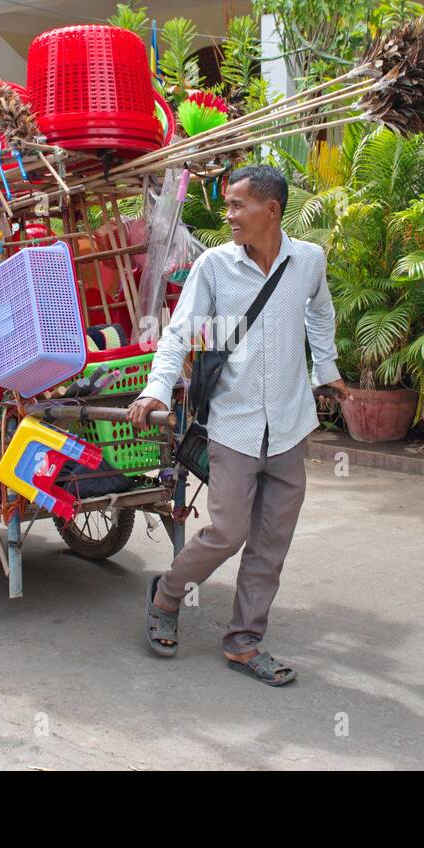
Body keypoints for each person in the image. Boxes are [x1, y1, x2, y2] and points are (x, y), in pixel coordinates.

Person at [127, 164, 349, 686]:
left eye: (236, 205)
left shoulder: (308, 261)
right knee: (228, 531)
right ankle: (167, 592)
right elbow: (180, 334)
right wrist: (157, 388)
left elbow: (320, 313)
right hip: (233, 423)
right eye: (226, 205)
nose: (227, 216)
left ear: (271, 210)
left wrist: (327, 370)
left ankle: (244, 641)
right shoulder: (214, 268)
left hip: (290, 425)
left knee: (271, 541)